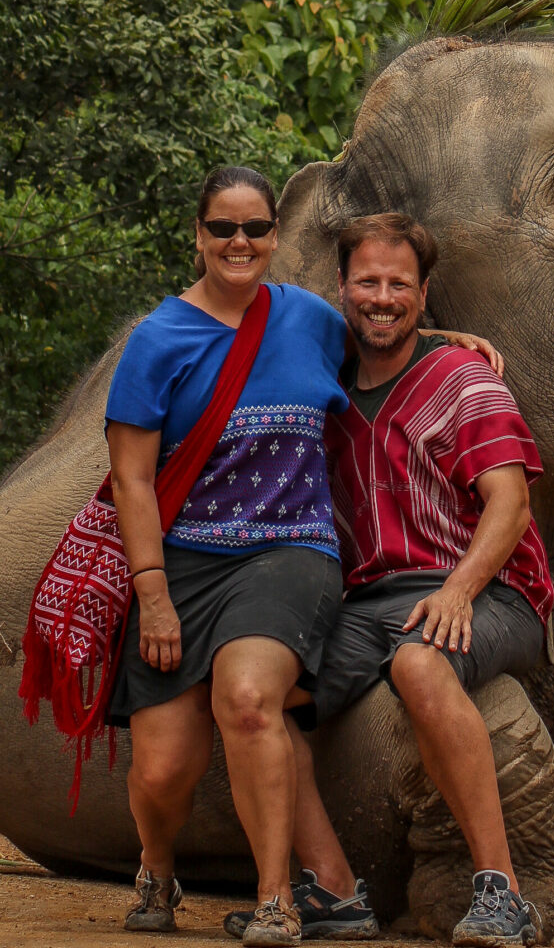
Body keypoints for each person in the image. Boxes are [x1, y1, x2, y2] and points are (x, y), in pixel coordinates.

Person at [107, 171, 497, 947]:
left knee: (251, 699)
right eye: (223, 228)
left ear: (276, 237)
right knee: (161, 774)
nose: (240, 243)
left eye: (255, 228)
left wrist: (450, 342)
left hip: (289, 554)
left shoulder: (308, 319)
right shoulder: (158, 341)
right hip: (180, 566)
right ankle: (156, 864)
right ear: (197, 236)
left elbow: (383, 334)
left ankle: (281, 898)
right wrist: (151, 592)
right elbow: (131, 477)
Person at [223, 213, 553, 947]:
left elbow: (511, 501)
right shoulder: (326, 385)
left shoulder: (462, 378)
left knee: (419, 661)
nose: (382, 297)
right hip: (366, 602)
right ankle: (334, 889)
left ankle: (501, 893)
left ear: (423, 293)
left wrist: (459, 590)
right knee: (259, 699)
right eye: (366, 281)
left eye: (398, 285)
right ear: (340, 286)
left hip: (485, 589)